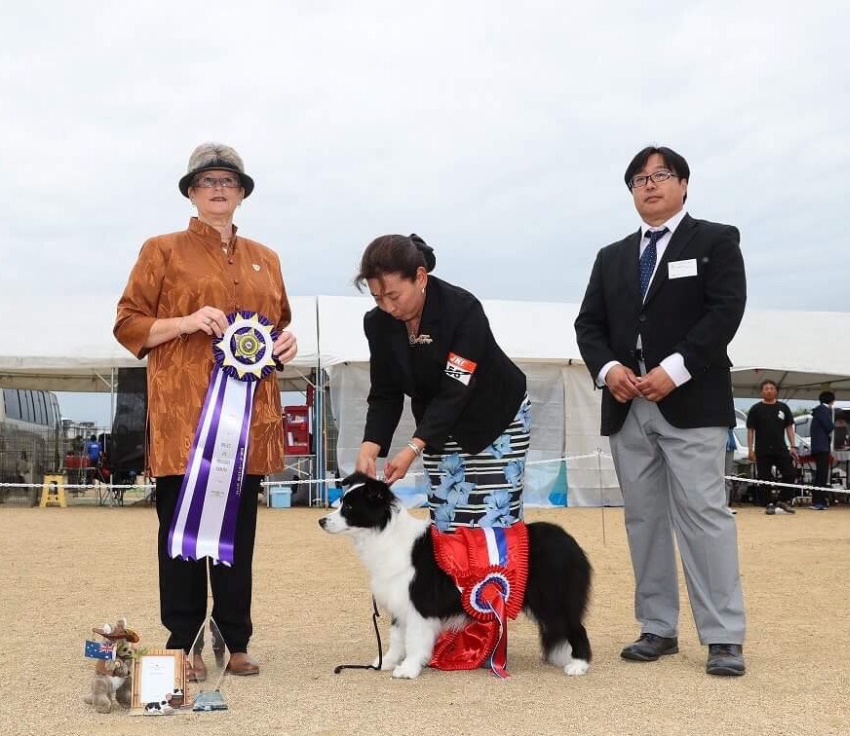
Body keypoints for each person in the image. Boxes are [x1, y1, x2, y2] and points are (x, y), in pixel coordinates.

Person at [114, 142, 298, 680]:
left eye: (229, 181)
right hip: (182, 423)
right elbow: (128, 323)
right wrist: (185, 322)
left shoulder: (268, 258)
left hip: (248, 425)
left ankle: (235, 640)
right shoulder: (161, 250)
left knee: (239, 538)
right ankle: (184, 641)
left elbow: (277, 326)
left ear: (241, 193)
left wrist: (286, 345)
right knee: (182, 539)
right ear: (191, 192)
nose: (219, 189)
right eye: (207, 181)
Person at [574, 145, 747, 676]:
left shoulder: (716, 239)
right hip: (628, 406)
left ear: (684, 184)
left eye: (661, 175)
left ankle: (723, 637)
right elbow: (589, 325)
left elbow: (725, 310)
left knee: (703, 515)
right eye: (638, 180)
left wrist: (677, 367)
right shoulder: (611, 256)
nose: (649, 185)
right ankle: (657, 627)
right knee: (643, 519)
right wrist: (609, 372)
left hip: (690, 399)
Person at [353, 234, 529, 531]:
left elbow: (456, 386)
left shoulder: (462, 309)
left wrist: (412, 447)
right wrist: (371, 445)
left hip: (495, 418)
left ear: (420, 277)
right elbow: (385, 392)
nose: (387, 307)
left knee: (492, 520)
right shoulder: (377, 324)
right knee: (447, 520)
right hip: (435, 428)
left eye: (393, 296)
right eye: (377, 297)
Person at [746, 380, 797, 514]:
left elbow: (789, 428)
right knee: (764, 477)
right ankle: (768, 503)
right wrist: (750, 449)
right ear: (761, 392)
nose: (769, 391)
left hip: (780, 448)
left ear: (776, 391)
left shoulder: (783, 408)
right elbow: (750, 430)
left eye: (771, 388)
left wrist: (793, 446)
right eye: (766, 389)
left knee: (790, 473)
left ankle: (783, 500)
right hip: (762, 449)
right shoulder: (755, 409)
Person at [810, 391, 835, 510]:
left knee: (820, 474)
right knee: (822, 475)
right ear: (831, 401)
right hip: (822, 447)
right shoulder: (823, 410)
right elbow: (829, 426)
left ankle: (819, 499)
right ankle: (818, 501)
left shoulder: (818, 411)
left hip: (818, 446)